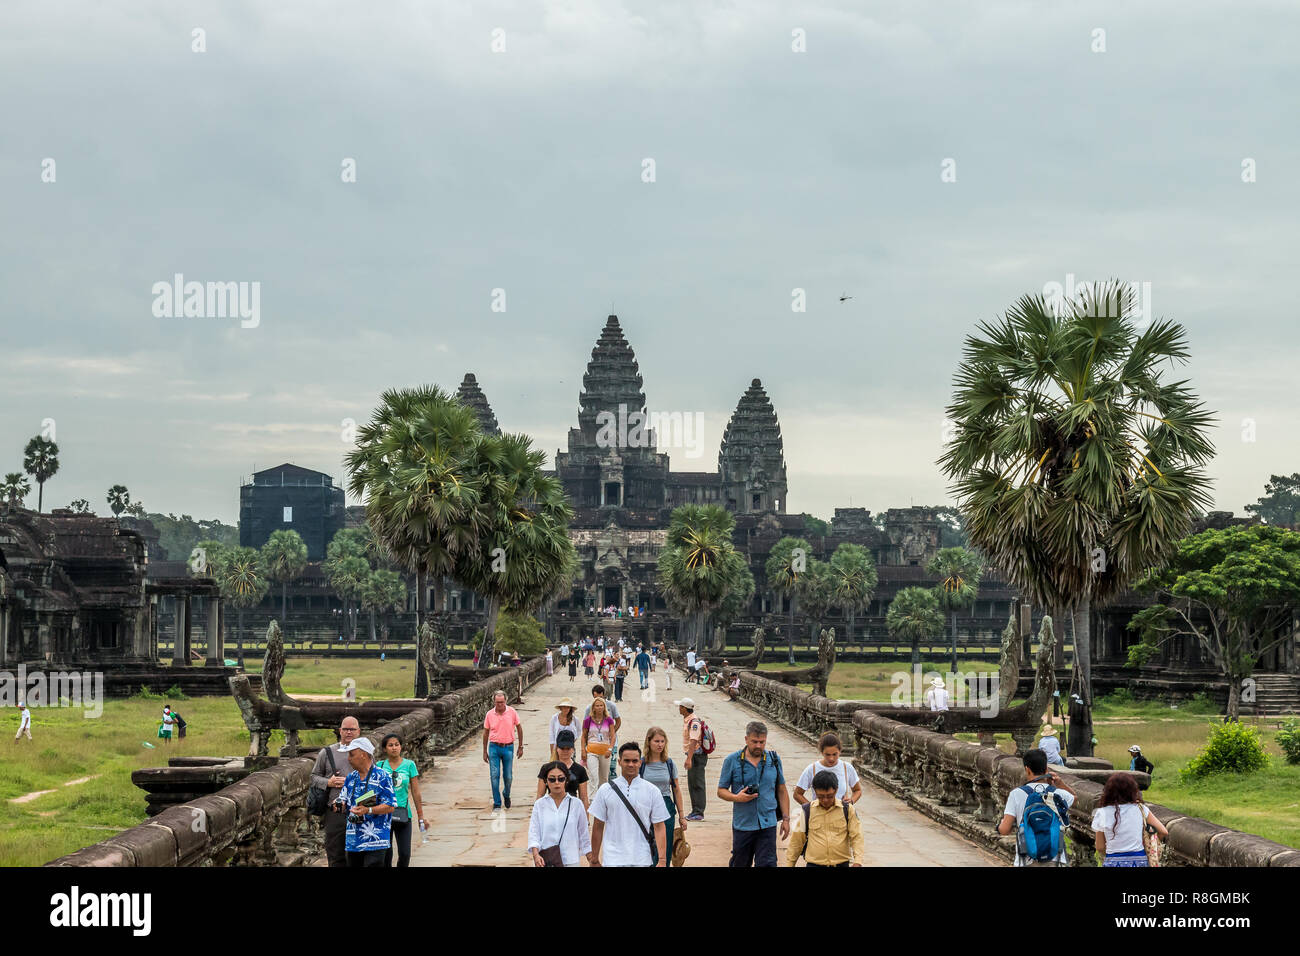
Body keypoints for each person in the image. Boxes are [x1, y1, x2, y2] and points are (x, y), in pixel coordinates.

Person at [717, 720, 790, 867]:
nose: (758, 746)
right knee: (740, 863)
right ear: (746, 739)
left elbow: (782, 790)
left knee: (767, 863)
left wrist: (786, 819)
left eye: (762, 742)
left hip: (767, 823)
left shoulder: (774, 759)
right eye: (754, 741)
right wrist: (737, 797)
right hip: (743, 824)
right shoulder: (732, 760)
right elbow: (721, 791)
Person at [589, 742, 669, 867]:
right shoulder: (605, 790)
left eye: (634, 761)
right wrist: (594, 859)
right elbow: (598, 826)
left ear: (640, 763)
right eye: (627, 761)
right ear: (620, 762)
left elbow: (659, 826)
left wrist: (663, 860)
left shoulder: (652, 791)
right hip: (612, 859)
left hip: (641, 858)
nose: (631, 764)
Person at [997, 749, 1077, 866]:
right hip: (1055, 858)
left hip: (1026, 859)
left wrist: (999, 825)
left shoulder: (1016, 794)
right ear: (1046, 769)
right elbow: (1075, 798)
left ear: (1027, 770)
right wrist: (1060, 784)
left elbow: (1004, 830)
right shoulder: (1057, 793)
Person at [786, 770, 865, 867]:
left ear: (836, 790)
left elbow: (856, 836)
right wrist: (790, 864)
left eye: (829, 796)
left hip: (841, 864)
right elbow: (797, 840)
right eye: (821, 796)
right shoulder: (807, 811)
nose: (825, 800)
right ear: (815, 791)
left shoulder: (847, 810)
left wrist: (858, 861)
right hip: (814, 864)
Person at [338, 737, 396, 867]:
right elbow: (343, 799)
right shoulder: (351, 778)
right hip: (353, 841)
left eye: (352, 754)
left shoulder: (383, 776)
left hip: (376, 841)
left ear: (363, 755)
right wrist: (340, 805)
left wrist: (368, 810)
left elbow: (390, 806)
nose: (349, 758)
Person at [312, 716, 361, 867]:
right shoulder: (327, 752)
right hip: (334, 809)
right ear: (339, 731)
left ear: (358, 731)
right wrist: (328, 782)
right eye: (345, 729)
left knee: (357, 854)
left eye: (352, 729)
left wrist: (349, 781)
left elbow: (373, 778)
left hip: (359, 808)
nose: (348, 732)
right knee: (335, 853)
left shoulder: (365, 753)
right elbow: (313, 777)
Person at [1092, 772, 1168, 867]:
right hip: (1140, 862)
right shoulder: (1141, 809)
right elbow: (1163, 831)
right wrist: (1151, 843)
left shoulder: (1102, 813)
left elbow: (1100, 847)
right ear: (1133, 790)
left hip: (1113, 862)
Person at [529, 760, 592, 867]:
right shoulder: (540, 805)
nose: (557, 783)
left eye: (561, 778)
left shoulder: (576, 804)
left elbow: (583, 834)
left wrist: (591, 859)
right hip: (547, 861)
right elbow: (534, 832)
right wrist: (536, 855)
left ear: (566, 780)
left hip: (571, 860)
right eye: (552, 779)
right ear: (546, 781)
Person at [640, 726, 687, 861]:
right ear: (649, 742)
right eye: (656, 741)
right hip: (645, 806)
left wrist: (682, 815)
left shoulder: (669, 763)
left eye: (662, 741)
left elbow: (676, 789)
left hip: (666, 805)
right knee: (647, 846)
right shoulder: (642, 763)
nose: (660, 744)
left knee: (664, 848)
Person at [379, 733, 424, 867]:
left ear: (401, 747)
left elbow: (415, 791)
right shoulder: (380, 766)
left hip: (403, 813)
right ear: (384, 749)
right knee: (386, 854)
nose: (394, 748)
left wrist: (421, 815)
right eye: (390, 745)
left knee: (405, 853)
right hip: (383, 814)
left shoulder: (409, 765)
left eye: (397, 745)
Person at [793, 733, 862, 806]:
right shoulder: (812, 769)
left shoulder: (847, 767)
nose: (831, 758)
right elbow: (797, 794)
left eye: (835, 754)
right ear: (822, 752)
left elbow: (857, 790)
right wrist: (811, 808)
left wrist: (851, 801)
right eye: (827, 754)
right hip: (819, 815)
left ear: (840, 751)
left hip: (841, 814)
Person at [481, 690, 524, 810]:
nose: (500, 704)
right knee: (494, 775)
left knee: (508, 776)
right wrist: (485, 751)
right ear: (494, 702)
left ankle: (506, 794)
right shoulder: (490, 714)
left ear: (505, 701)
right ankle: (497, 802)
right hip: (494, 746)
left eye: (502, 702)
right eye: (497, 702)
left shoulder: (512, 712)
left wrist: (520, 746)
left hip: (508, 747)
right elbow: (485, 733)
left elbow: (519, 728)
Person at [536, 729, 591, 809]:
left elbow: (584, 798)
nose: (565, 751)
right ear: (557, 748)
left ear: (573, 749)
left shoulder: (580, 770)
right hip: (551, 808)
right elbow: (540, 795)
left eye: (568, 748)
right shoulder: (546, 768)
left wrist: (586, 819)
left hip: (572, 808)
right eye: (562, 748)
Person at [676, 697, 708, 821]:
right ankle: (695, 811)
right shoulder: (688, 720)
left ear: (684, 708)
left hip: (696, 756)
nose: (679, 708)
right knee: (692, 783)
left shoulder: (694, 722)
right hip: (693, 755)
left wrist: (689, 758)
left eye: (680, 706)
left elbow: (693, 741)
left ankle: (699, 811)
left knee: (697, 783)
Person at [582, 697, 617, 788]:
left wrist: (610, 749)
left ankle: (602, 798)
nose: (599, 707)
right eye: (597, 706)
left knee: (604, 778)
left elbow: (613, 736)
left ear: (604, 707)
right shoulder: (588, 720)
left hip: (605, 751)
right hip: (591, 751)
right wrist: (583, 750)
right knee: (593, 777)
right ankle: (592, 799)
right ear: (593, 707)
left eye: (601, 705)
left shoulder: (609, 720)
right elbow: (583, 736)